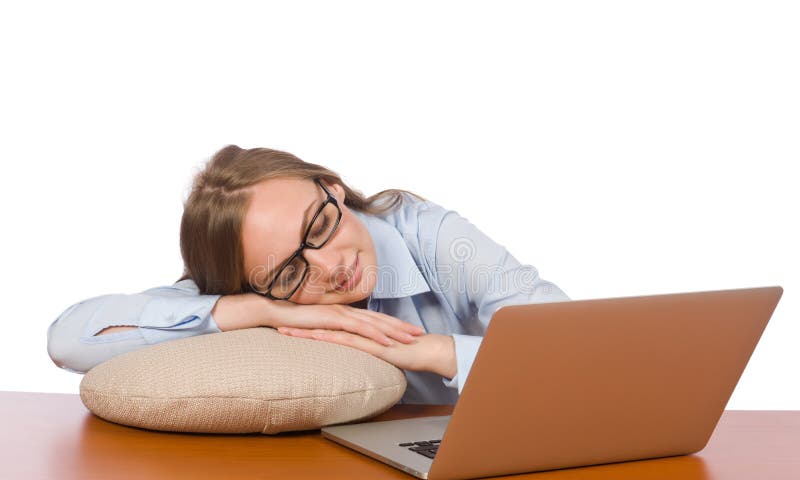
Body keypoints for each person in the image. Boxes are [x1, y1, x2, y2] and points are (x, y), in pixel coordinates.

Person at [47, 145, 570, 404]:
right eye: (289, 273)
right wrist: (262, 307)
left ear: (333, 188)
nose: (329, 267)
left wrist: (428, 352)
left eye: (319, 224)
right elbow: (71, 340)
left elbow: (571, 347)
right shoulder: (254, 289)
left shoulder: (430, 235)